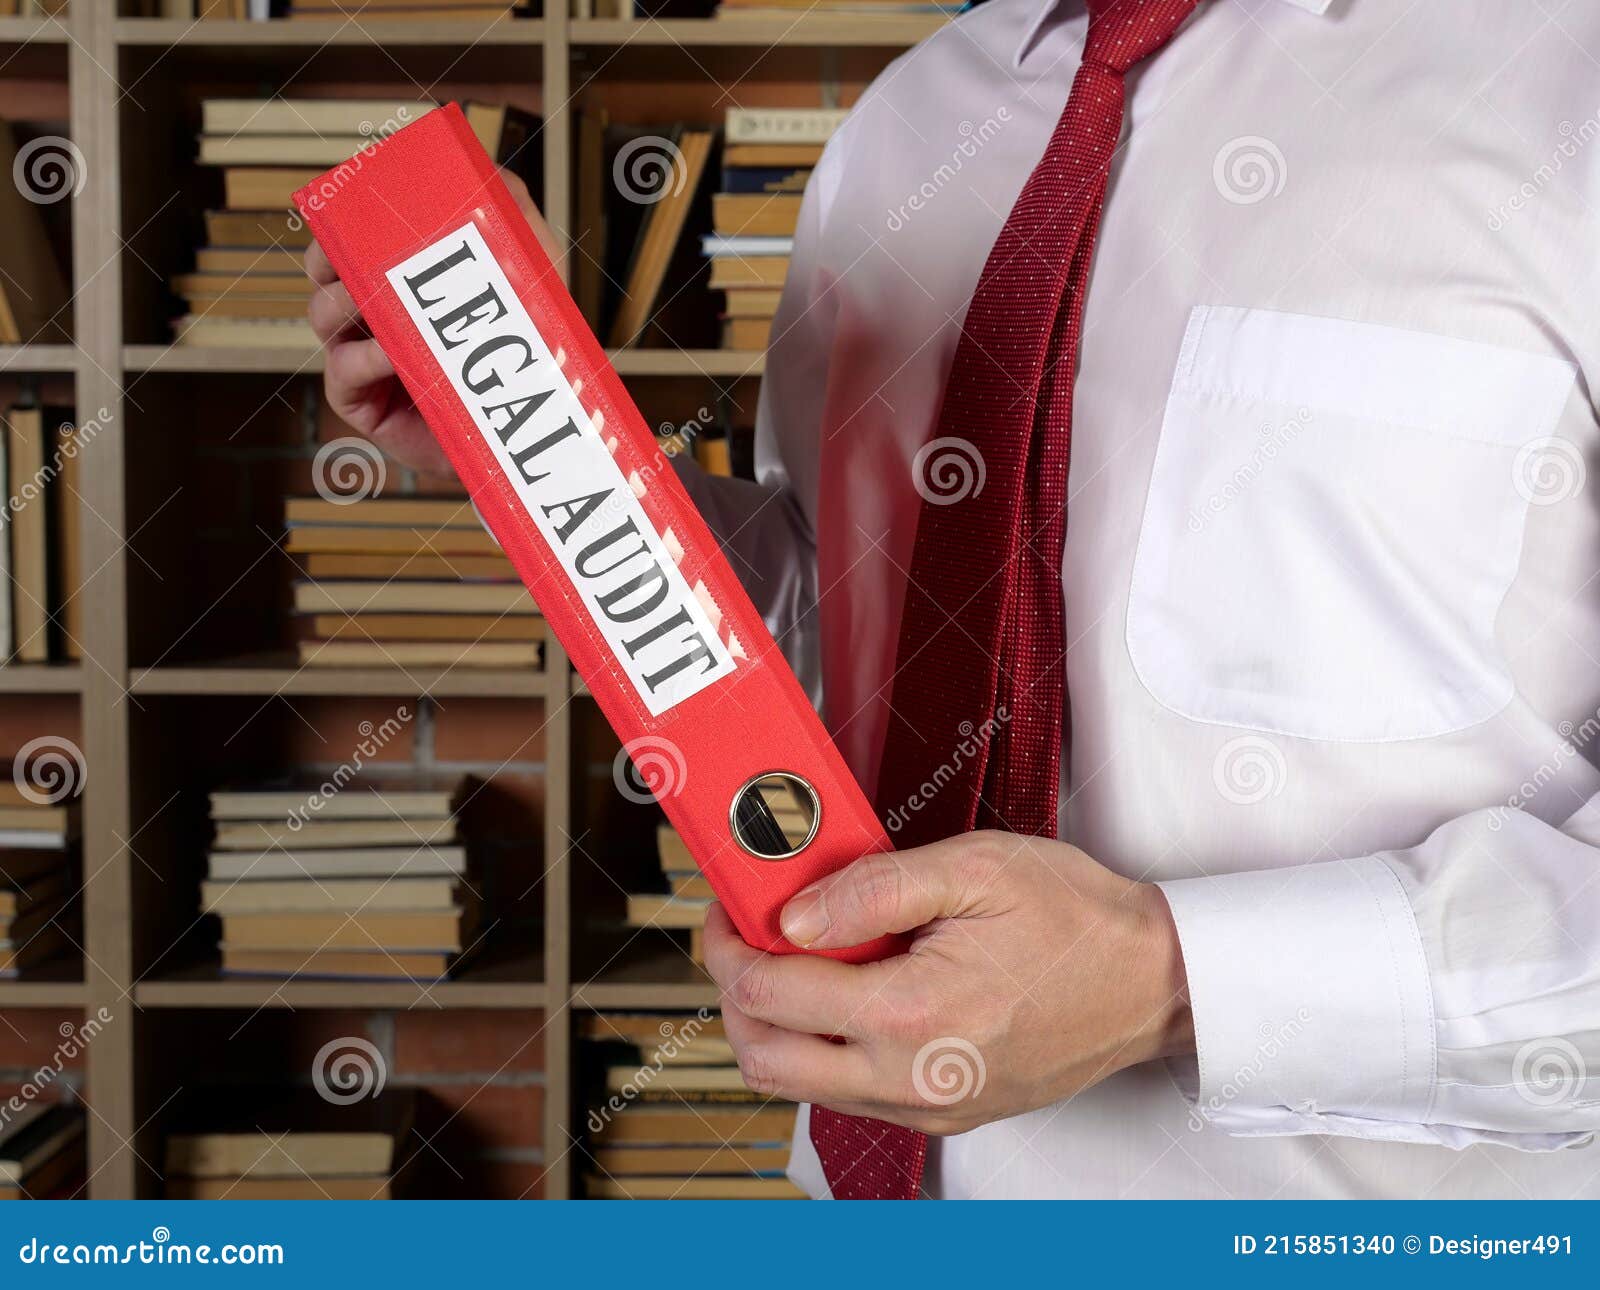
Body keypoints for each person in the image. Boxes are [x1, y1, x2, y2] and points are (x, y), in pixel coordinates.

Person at [308, 0, 1600, 1199]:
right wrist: (532, 459)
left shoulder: (1562, 79)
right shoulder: (910, 120)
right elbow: (863, 623)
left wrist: (1175, 979)